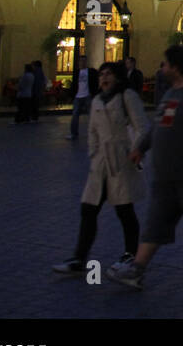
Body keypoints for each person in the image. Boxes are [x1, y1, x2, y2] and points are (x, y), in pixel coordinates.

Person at [109, 44, 183, 290]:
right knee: (155, 223)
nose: (162, 68)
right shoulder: (170, 94)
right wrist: (141, 148)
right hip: (165, 176)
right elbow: (158, 126)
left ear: (176, 67)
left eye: (166, 64)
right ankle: (137, 269)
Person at [53, 61, 148, 275]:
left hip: (122, 160)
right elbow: (93, 132)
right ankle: (79, 258)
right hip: (100, 165)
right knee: (88, 209)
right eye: (101, 74)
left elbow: (142, 127)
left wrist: (136, 151)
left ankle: (130, 255)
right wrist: (93, 153)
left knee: (125, 210)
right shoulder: (96, 100)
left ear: (118, 77)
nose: (104, 78)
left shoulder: (127, 97)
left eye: (109, 74)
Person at [69, 54, 97, 140]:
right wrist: (72, 95)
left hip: (87, 95)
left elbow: (95, 82)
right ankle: (73, 133)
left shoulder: (91, 72)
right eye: (81, 61)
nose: (83, 63)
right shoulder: (77, 72)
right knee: (75, 115)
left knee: (91, 115)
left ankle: (94, 133)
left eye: (84, 61)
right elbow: (74, 84)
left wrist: (93, 93)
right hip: (78, 96)